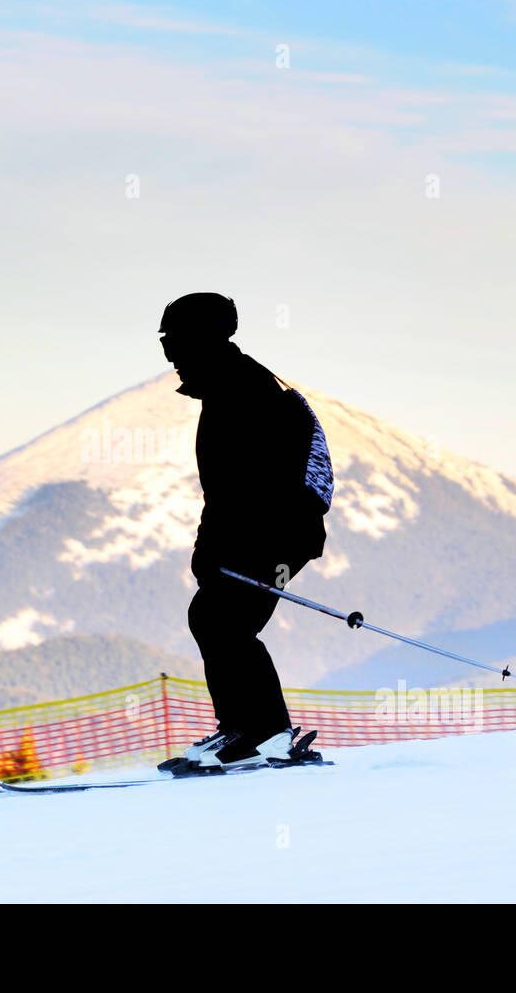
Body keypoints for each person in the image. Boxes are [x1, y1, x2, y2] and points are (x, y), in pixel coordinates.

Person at [158, 293, 334, 770]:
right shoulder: (227, 388)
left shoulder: (243, 391)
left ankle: (265, 733)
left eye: (173, 342)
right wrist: (208, 551)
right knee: (214, 616)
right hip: (270, 534)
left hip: (280, 536)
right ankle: (244, 729)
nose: (169, 355)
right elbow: (226, 491)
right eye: (164, 343)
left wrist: (221, 549)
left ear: (201, 339)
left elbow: (249, 489)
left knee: (224, 620)